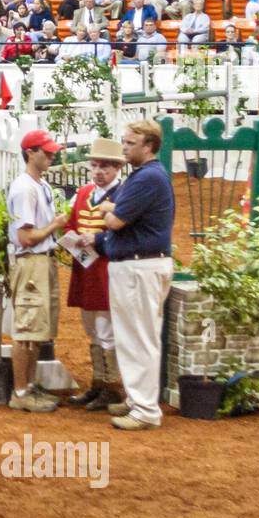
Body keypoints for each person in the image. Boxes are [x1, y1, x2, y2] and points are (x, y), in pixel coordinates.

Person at [91, 120, 175, 431]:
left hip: (139, 266)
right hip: (141, 263)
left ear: (149, 146)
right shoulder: (148, 176)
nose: (124, 147)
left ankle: (145, 409)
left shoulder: (147, 178)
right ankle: (139, 400)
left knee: (137, 339)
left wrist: (106, 212)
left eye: (130, 143)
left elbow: (116, 222)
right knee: (140, 337)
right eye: (124, 141)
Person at [61, 138, 127, 412]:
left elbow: (123, 231)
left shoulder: (122, 195)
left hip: (108, 269)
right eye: (95, 165)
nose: (99, 171)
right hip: (85, 267)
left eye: (106, 167)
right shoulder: (84, 192)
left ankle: (113, 388)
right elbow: (73, 223)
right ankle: (98, 383)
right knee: (91, 328)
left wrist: (96, 238)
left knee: (106, 330)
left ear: (117, 169)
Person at [6, 129, 70, 412]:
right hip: (31, 259)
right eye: (46, 152)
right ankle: (20, 391)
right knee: (28, 327)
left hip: (41, 260)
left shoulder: (39, 185)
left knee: (36, 327)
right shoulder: (25, 188)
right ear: (30, 153)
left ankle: (28, 386)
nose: (51, 156)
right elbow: (25, 237)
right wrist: (56, 225)